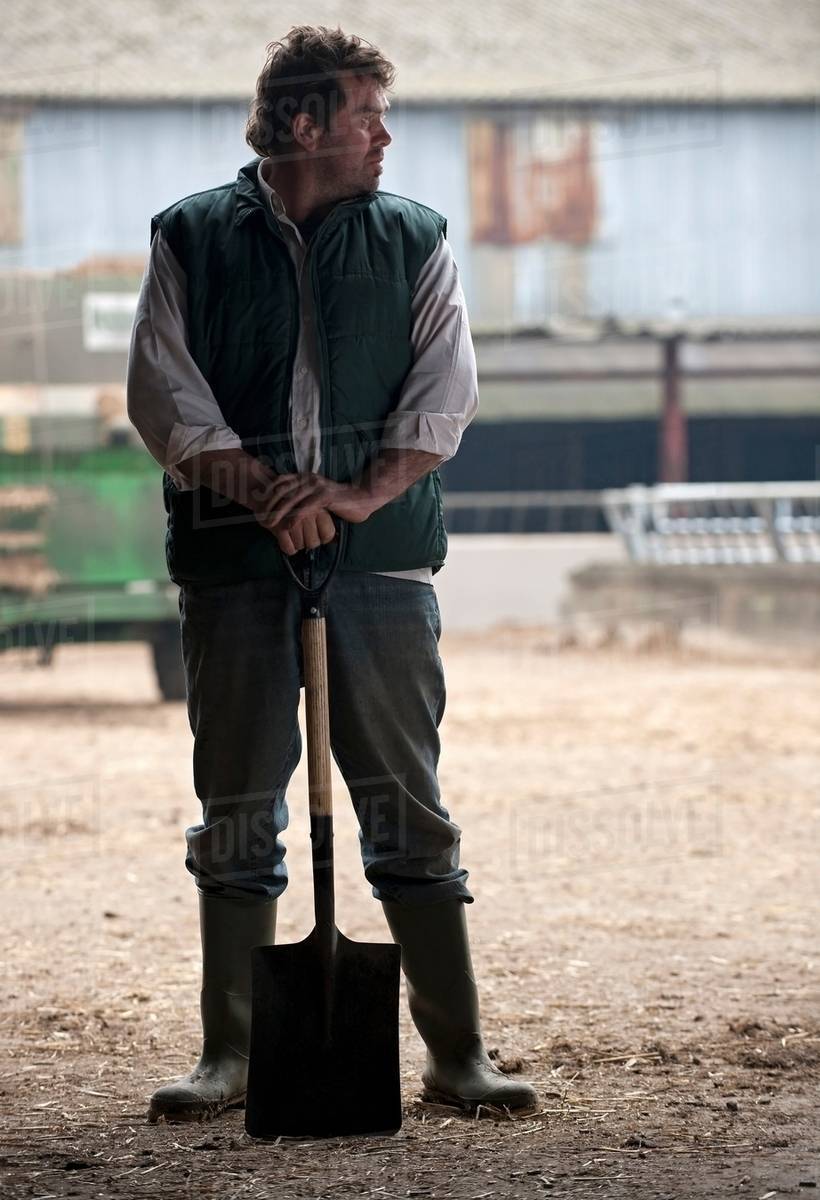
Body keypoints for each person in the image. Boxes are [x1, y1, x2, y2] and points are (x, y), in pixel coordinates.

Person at [126, 24, 538, 1123]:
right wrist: (265, 493)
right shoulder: (190, 237)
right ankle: (230, 1054)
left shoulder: (416, 240)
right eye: (367, 115)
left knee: (406, 805)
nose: (383, 137)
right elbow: (164, 398)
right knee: (236, 808)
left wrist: (350, 500)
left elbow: (443, 398)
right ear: (305, 122)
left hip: (381, 570)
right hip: (235, 568)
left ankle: (458, 1055)